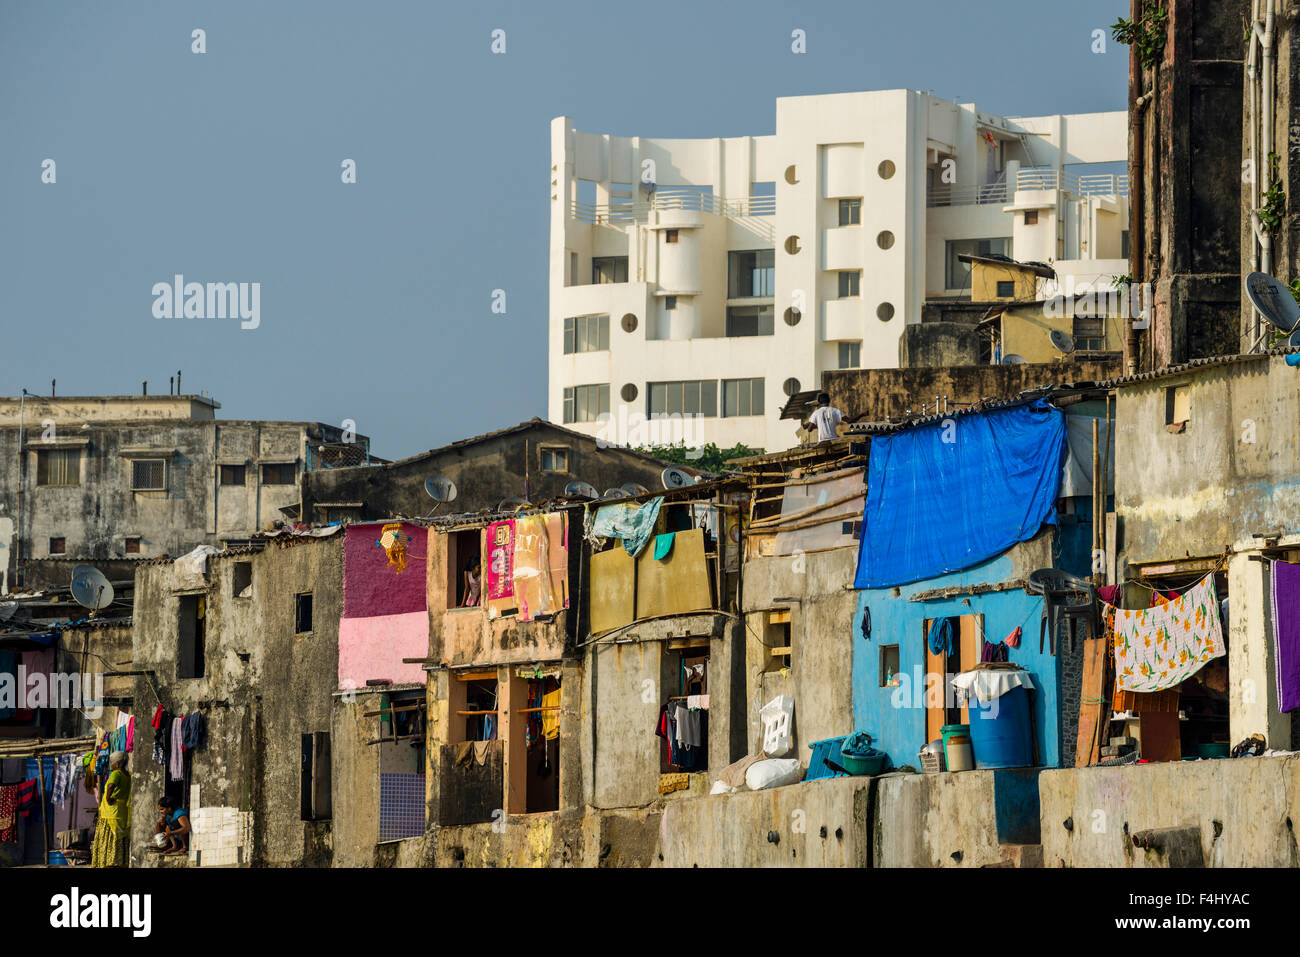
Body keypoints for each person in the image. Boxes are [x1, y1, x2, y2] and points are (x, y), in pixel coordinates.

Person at [90, 751, 131, 867]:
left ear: (117, 764)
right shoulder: (128, 775)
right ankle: (119, 860)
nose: (111, 765)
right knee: (120, 835)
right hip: (121, 809)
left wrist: (108, 798)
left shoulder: (116, 773)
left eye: (112, 762)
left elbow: (111, 785)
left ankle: (109, 860)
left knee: (109, 834)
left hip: (112, 811)